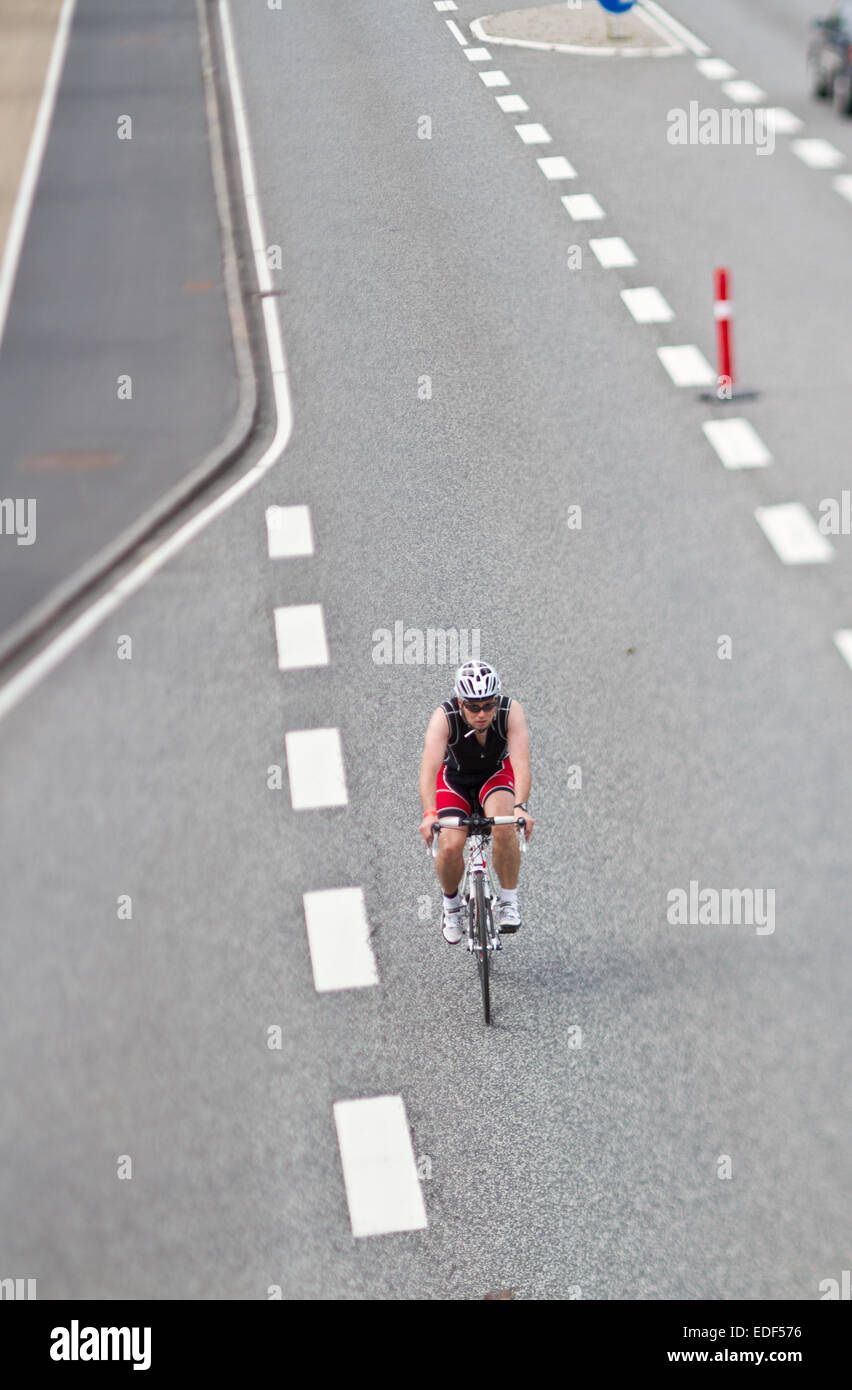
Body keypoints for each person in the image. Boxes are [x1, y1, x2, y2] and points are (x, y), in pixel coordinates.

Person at [418, 660, 534, 943]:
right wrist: (429, 813)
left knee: (504, 827)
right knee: (450, 845)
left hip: (494, 776)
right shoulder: (443, 717)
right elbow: (429, 769)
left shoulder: (510, 711)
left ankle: (508, 900)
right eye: (473, 707)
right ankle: (451, 906)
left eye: (488, 705)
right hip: (455, 780)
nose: (482, 714)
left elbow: (521, 764)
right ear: (460, 702)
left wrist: (520, 807)